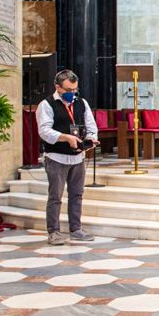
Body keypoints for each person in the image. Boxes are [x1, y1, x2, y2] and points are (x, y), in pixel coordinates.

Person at [36, 69, 99, 245]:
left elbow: (91, 125)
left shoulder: (82, 103)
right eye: (68, 90)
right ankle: (54, 231)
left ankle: (76, 229)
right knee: (55, 196)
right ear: (58, 87)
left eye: (74, 90)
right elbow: (44, 131)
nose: (72, 94)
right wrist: (66, 137)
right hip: (56, 157)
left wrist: (91, 139)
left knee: (77, 194)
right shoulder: (46, 104)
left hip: (78, 157)